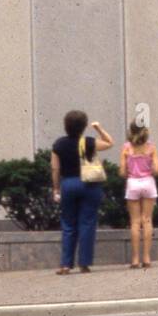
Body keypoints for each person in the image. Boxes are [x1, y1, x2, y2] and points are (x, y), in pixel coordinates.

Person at [51, 110, 114, 274]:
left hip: (69, 184)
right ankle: (84, 264)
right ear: (84, 127)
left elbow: (55, 169)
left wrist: (56, 188)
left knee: (68, 224)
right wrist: (99, 129)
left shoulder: (58, 145)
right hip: (90, 184)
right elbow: (109, 142)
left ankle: (65, 264)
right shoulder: (89, 142)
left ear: (66, 126)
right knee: (87, 223)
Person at [120, 119, 158, 269]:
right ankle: (147, 257)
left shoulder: (126, 148)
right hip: (148, 183)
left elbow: (122, 172)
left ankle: (135, 259)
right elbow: (157, 170)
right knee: (147, 220)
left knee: (135, 222)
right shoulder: (151, 148)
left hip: (133, 183)